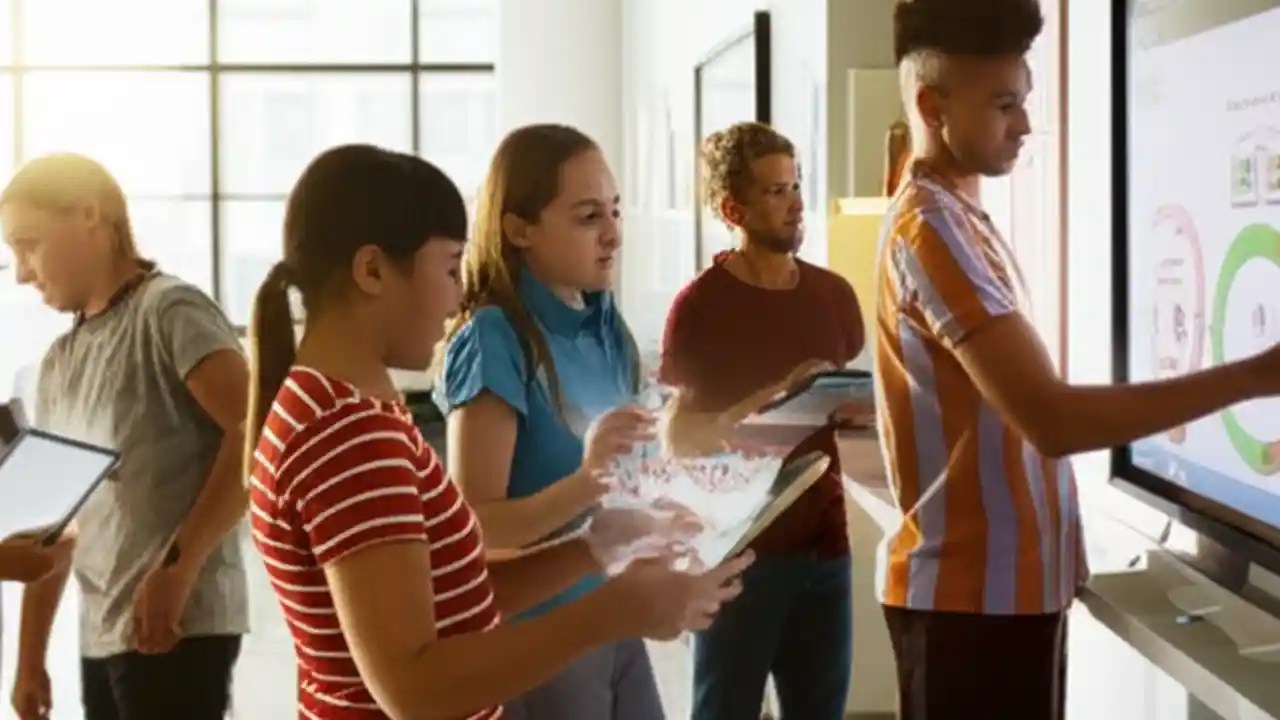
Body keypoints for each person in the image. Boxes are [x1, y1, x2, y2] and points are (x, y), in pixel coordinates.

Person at [245, 143, 752, 720]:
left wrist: (597, 547)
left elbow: (451, 595)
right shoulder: (349, 436)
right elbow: (413, 687)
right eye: (448, 266)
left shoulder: (340, 407)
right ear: (372, 271)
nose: (458, 292)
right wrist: (612, 612)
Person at [881, 1, 1280, 717]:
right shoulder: (932, 230)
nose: (1025, 125)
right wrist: (1253, 375)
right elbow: (1054, 420)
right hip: (971, 612)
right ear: (932, 106)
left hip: (1003, 602)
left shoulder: (959, 215)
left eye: (1025, 100)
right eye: (1004, 104)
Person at [434, 123, 672, 719]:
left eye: (616, 211)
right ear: (520, 230)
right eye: (589, 216)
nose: (614, 235)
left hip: (615, 613)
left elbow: (629, 484)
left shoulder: (607, 328)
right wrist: (587, 483)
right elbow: (477, 531)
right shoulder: (496, 338)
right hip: (539, 635)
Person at [0, 153, 250, 720]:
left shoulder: (169, 310)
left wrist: (177, 568)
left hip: (180, 622)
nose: (21, 272)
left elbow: (255, 433)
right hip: (105, 631)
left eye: (28, 244)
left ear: (90, 214)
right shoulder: (60, 361)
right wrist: (29, 659)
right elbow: (55, 523)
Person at [658, 121, 866, 720]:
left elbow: (840, 416)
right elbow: (679, 441)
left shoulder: (833, 297)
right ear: (734, 208)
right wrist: (776, 397)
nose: (796, 203)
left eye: (796, 185)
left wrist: (851, 413)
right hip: (737, 553)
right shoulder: (700, 308)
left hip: (825, 550)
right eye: (776, 191)